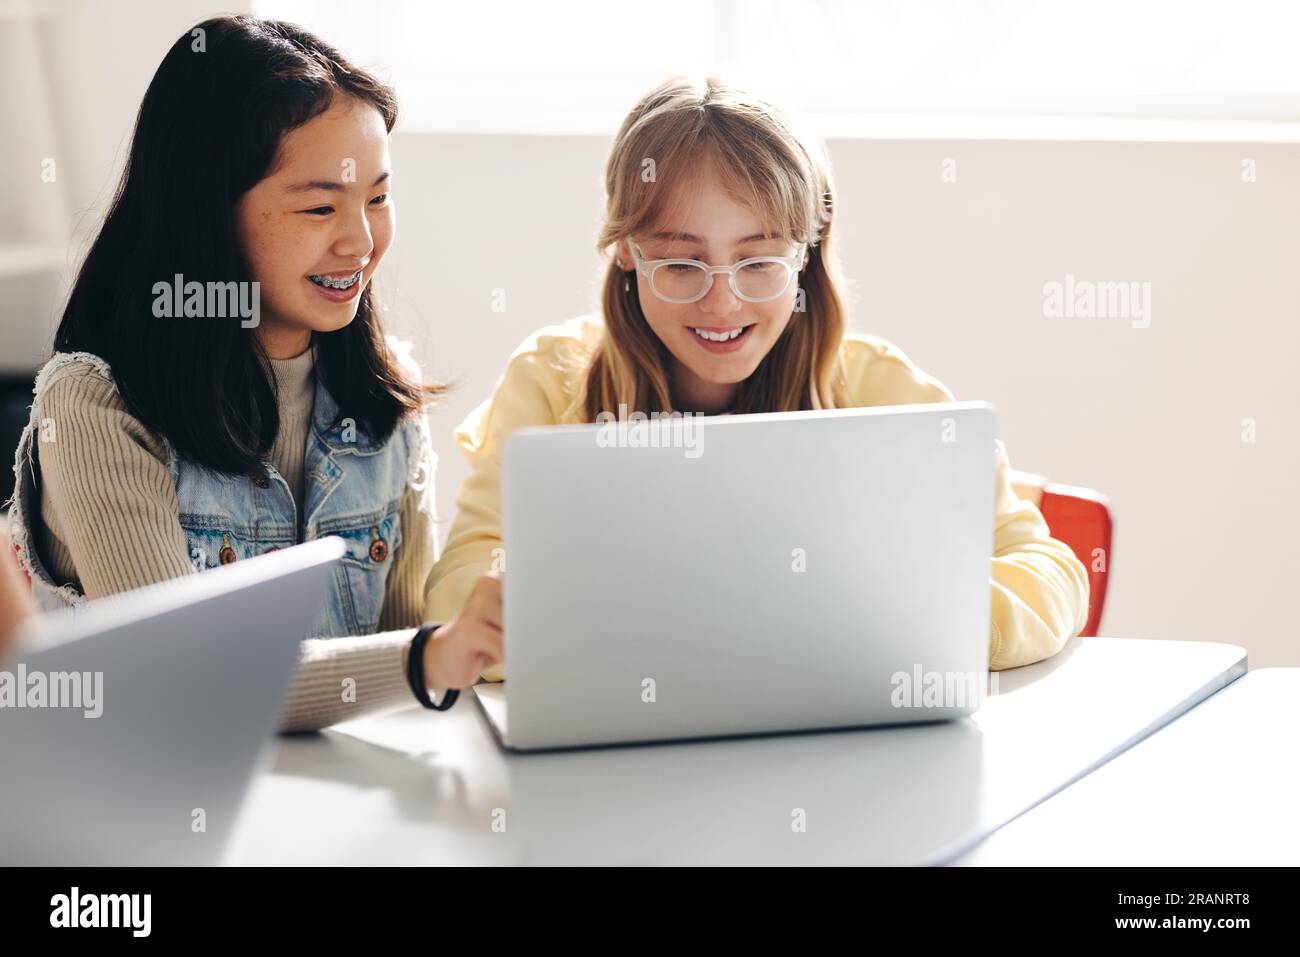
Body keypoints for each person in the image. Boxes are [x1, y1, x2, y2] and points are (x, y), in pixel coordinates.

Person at [426, 75, 1089, 678]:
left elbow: (1051, 575)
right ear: (627, 253)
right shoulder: (552, 382)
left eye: (759, 262)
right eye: (683, 264)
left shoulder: (880, 392)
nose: (722, 303)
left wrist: (907, 624)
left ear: (806, 253)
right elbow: (458, 590)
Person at [5, 16, 502, 731]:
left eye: (379, 197)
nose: (360, 241)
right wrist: (426, 659)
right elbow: (183, 683)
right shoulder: (93, 408)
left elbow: (403, 685)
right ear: (208, 215)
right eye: (320, 206)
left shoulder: (385, 403)